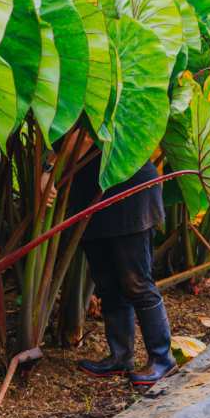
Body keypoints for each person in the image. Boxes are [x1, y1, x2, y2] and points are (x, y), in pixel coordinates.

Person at [42, 135, 177, 386]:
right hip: (91, 197)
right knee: (106, 283)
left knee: (135, 281)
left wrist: (49, 170)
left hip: (128, 193)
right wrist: (50, 165)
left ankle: (162, 358)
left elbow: (79, 141)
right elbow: (63, 137)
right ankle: (120, 357)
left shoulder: (100, 95)